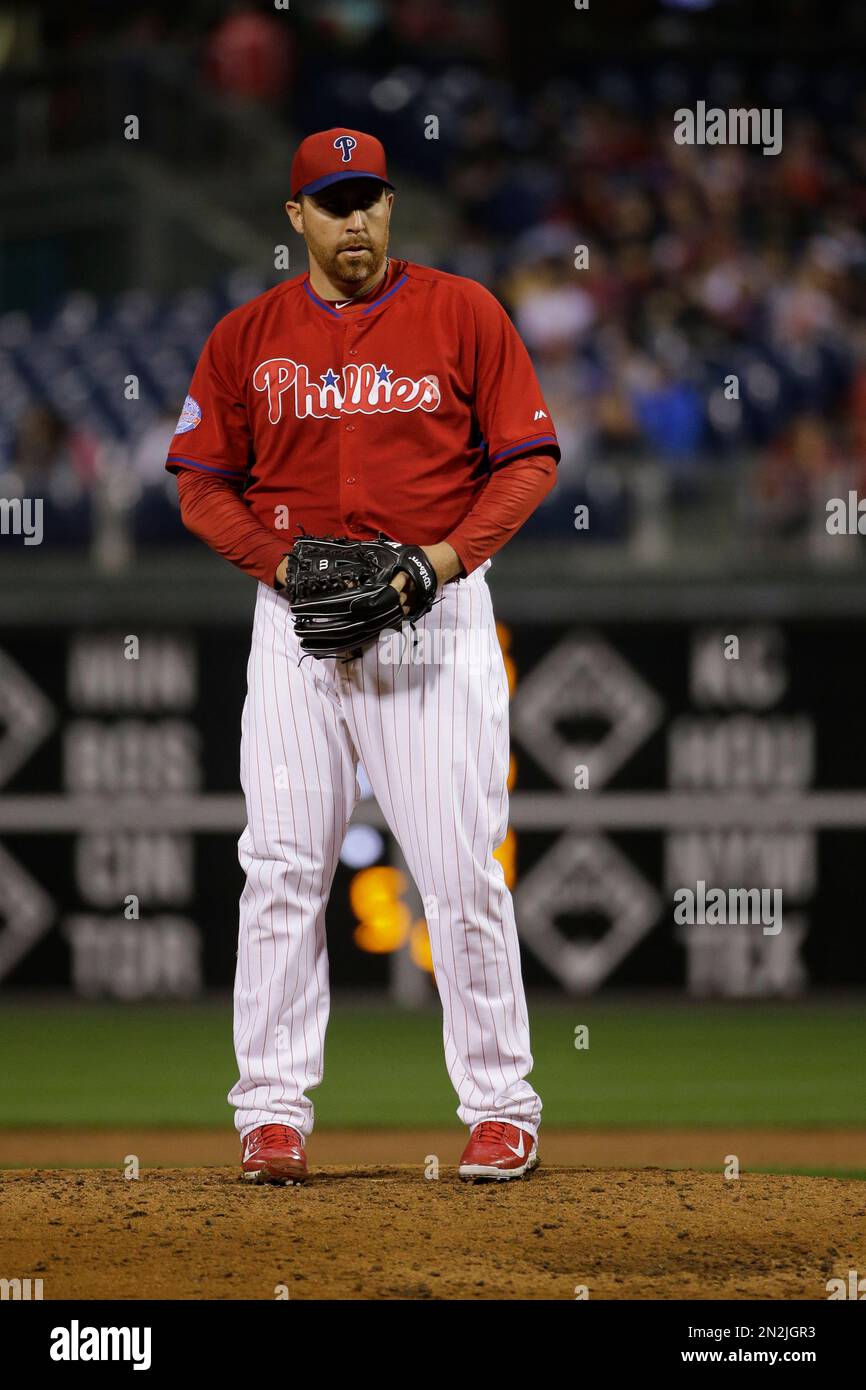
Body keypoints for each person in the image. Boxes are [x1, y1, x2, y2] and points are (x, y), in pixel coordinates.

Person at [166, 128, 560, 1183]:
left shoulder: (462, 312)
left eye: (368, 199)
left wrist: (442, 560)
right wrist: (280, 565)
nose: (355, 219)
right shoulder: (246, 336)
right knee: (280, 869)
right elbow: (200, 479)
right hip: (294, 626)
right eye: (332, 202)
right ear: (295, 217)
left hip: (431, 616)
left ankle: (499, 1106)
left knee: (458, 872)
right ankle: (271, 1114)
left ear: (389, 206)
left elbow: (527, 461)